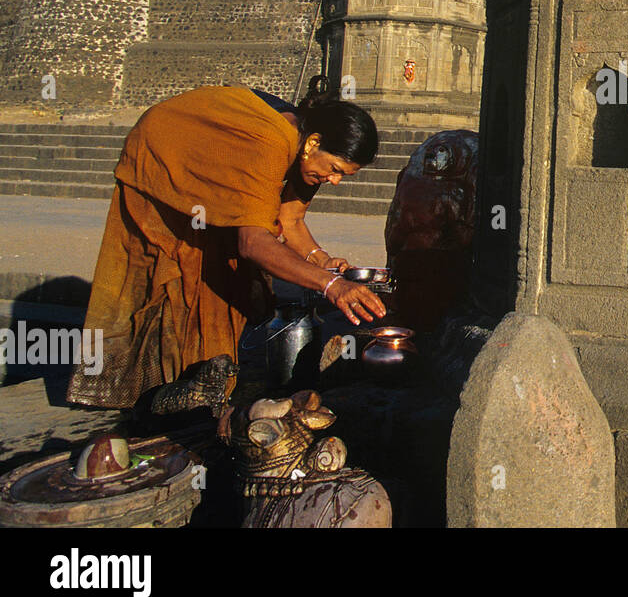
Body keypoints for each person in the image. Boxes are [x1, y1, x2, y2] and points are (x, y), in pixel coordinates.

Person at [66, 79, 387, 410]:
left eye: (342, 176)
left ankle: (196, 390)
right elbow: (252, 242)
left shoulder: (309, 157)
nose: (333, 180)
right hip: (164, 156)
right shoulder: (272, 141)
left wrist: (319, 259)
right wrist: (330, 285)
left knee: (222, 281)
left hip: (213, 174)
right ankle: (142, 390)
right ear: (314, 143)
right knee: (177, 276)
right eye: (334, 169)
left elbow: (289, 221)